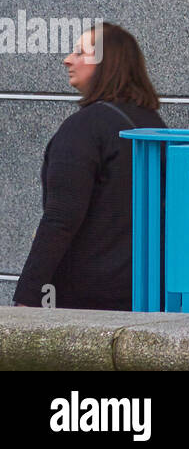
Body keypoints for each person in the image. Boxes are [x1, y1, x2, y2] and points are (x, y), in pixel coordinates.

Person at [14, 23, 166, 310]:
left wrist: (28, 295)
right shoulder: (151, 124)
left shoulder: (84, 129)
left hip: (84, 298)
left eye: (81, 53)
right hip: (145, 292)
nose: (67, 59)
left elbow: (60, 219)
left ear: (107, 64)